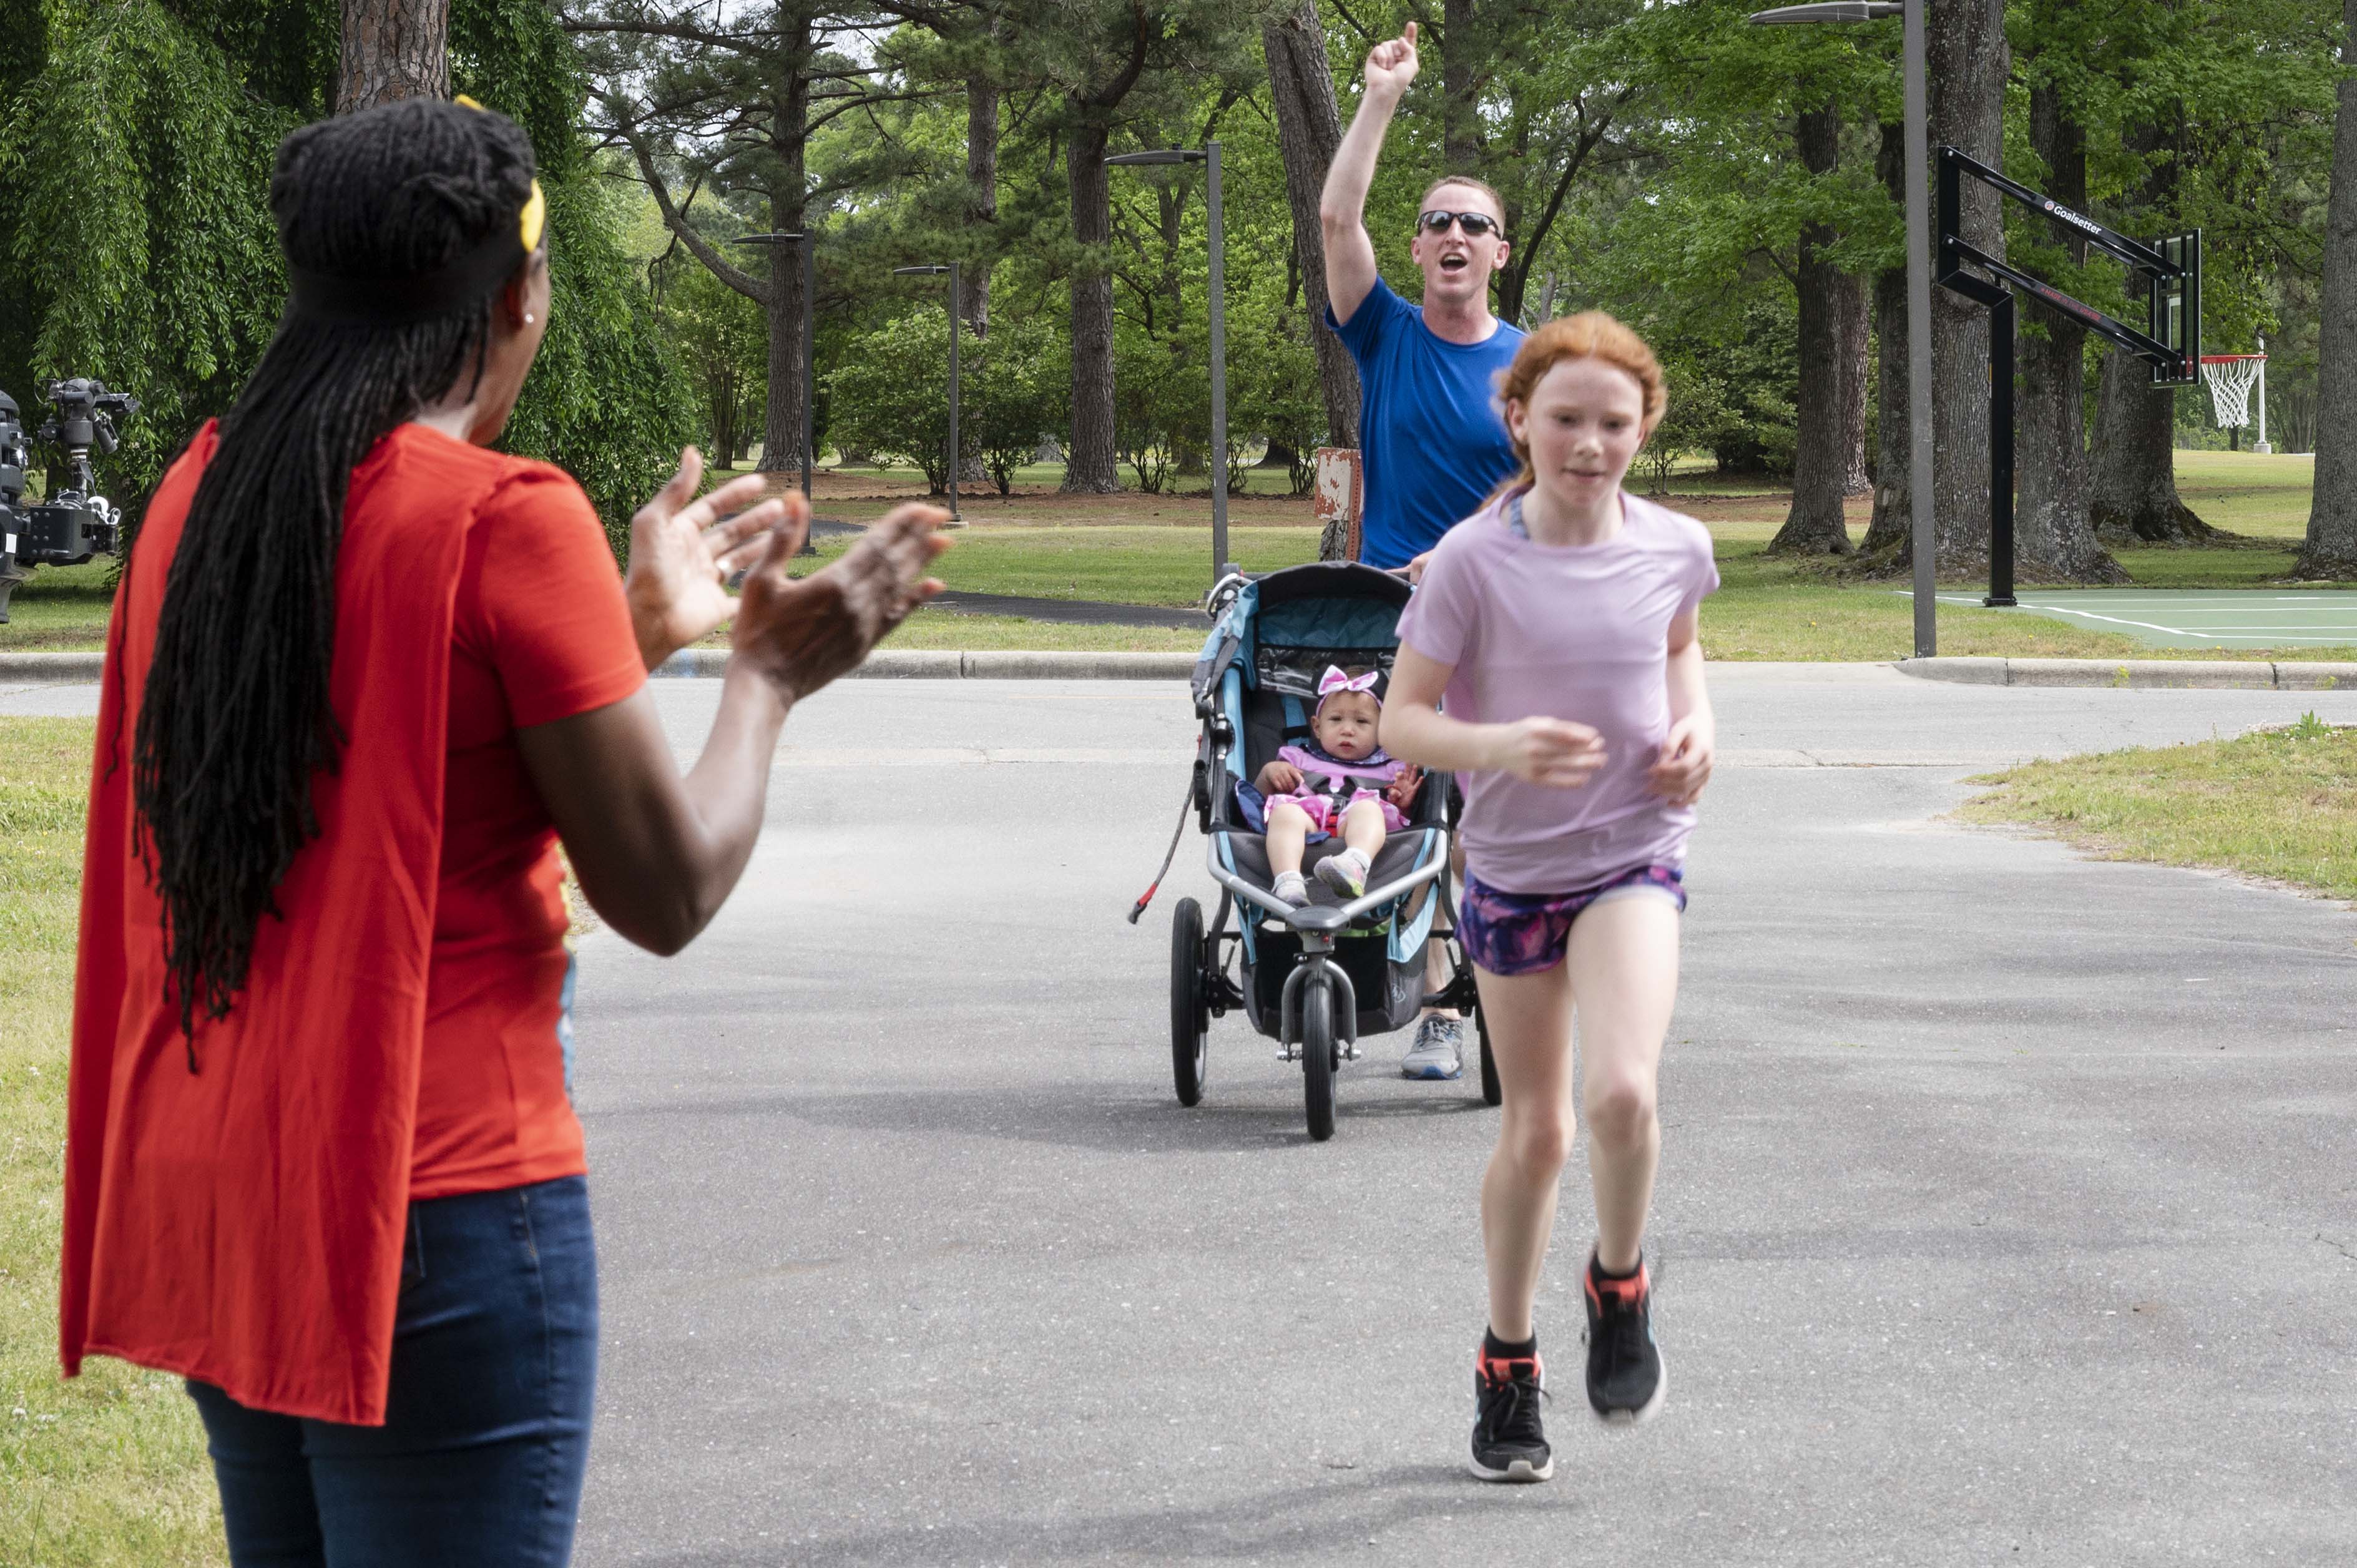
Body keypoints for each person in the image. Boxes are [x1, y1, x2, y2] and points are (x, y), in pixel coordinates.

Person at [59, 98, 946, 1567]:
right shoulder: (502, 517)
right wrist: (768, 680)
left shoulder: (200, 495)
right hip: (438, 1212)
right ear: (521, 294)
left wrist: (624, 633)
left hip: (239, 1184)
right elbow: (664, 886)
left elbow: (392, 743)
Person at [1379, 313, 1717, 1484]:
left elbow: (1679, 651)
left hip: (1634, 848)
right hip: (1514, 869)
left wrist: (1697, 731)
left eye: (1613, 423)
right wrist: (1501, 744)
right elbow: (1399, 720)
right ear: (1517, 419)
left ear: (1644, 428)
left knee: (1623, 1089)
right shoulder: (1474, 560)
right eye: (1564, 419)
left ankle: (1617, 1285)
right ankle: (1507, 1360)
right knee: (1539, 1131)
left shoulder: (1678, 545)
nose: (1588, 443)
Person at [1320, 19, 1524, 1079]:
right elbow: (1334, 213)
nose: (1452, 233)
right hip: (1393, 618)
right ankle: (1426, 985)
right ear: (1417, 248)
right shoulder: (1384, 331)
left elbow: (1557, 498)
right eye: (1436, 220)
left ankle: (1462, 996)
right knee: (1408, 799)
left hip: (1499, 619)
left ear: (1498, 251)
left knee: (1480, 819)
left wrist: (1465, 549)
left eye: (1473, 224)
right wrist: (1379, 101)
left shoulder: (1533, 367)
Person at [1248, 665, 1424, 908]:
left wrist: (1403, 803)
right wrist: (1269, 775)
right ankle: (1288, 881)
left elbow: (1403, 817)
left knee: (1368, 809)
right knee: (1285, 813)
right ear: (1317, 727)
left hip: (1361, 832)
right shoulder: (1296, 758)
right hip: (1307, 825)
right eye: (1336, 719)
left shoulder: (1392, 769)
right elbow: (1257, 802)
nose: (1348, 730)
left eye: (1362, 721)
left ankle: (1355, 864)